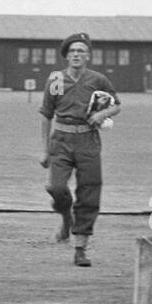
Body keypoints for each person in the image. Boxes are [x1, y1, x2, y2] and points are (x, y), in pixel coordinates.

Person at [39, 33, 120, 267]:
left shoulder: (98, 80)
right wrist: (45, 150)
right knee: (56, 187)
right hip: (61, 140)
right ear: (66, 55)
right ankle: (66, 217)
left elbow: (117, 105)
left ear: (88, 55)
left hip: (88, 140)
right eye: (73, 51)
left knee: (89, 193)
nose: (77, 55)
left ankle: (80, 248)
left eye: (81, 51)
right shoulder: (55, 80)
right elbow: (46, 115)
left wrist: (102, 114)